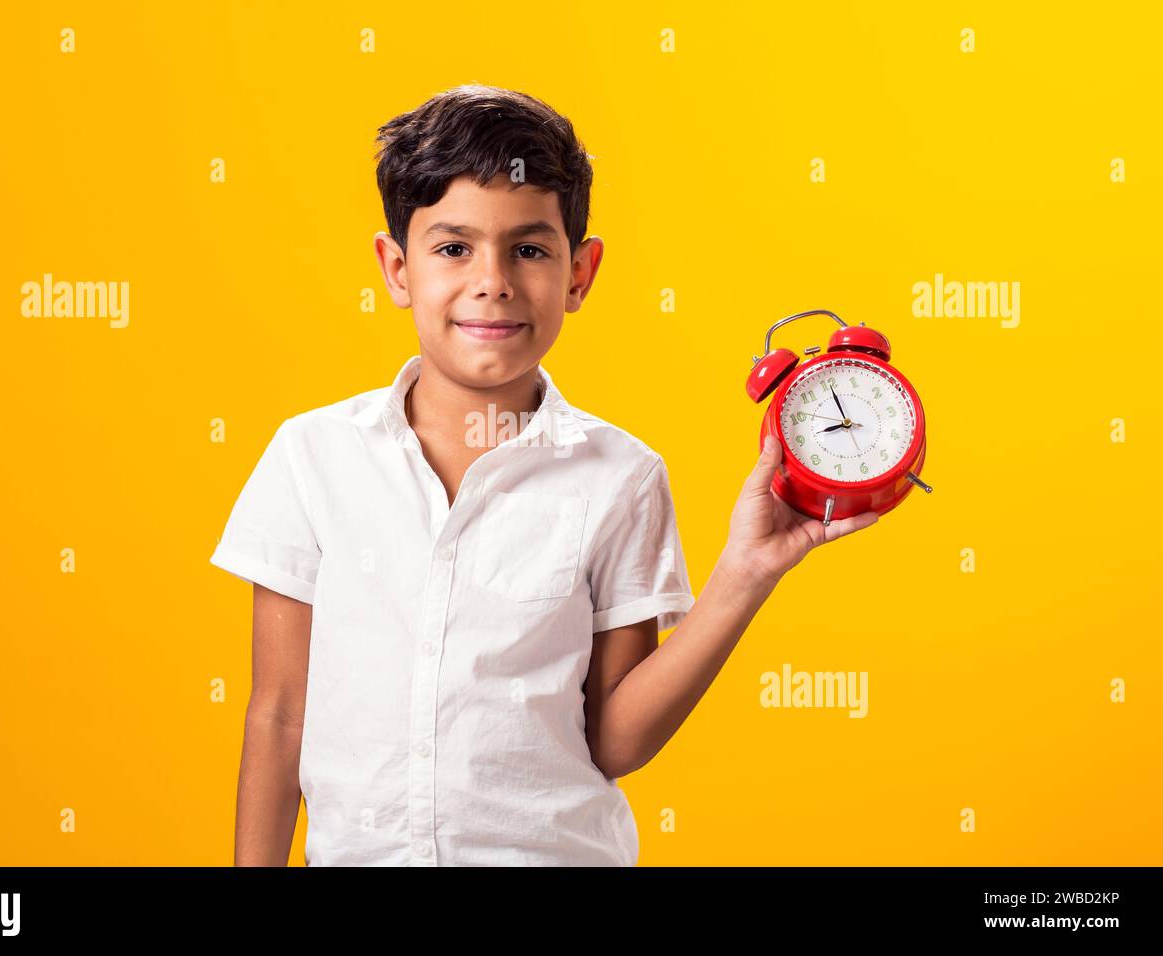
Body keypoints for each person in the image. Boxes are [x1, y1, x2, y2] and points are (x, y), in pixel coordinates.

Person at [210, 84, 879, 866]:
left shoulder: (620, 478)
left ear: (579, 273)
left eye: (529, 249)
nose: (492, 280)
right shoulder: (313, 456)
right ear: (396, 269)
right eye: (453, 248)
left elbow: (614, 739)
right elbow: (280, 713)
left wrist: (746, 571)